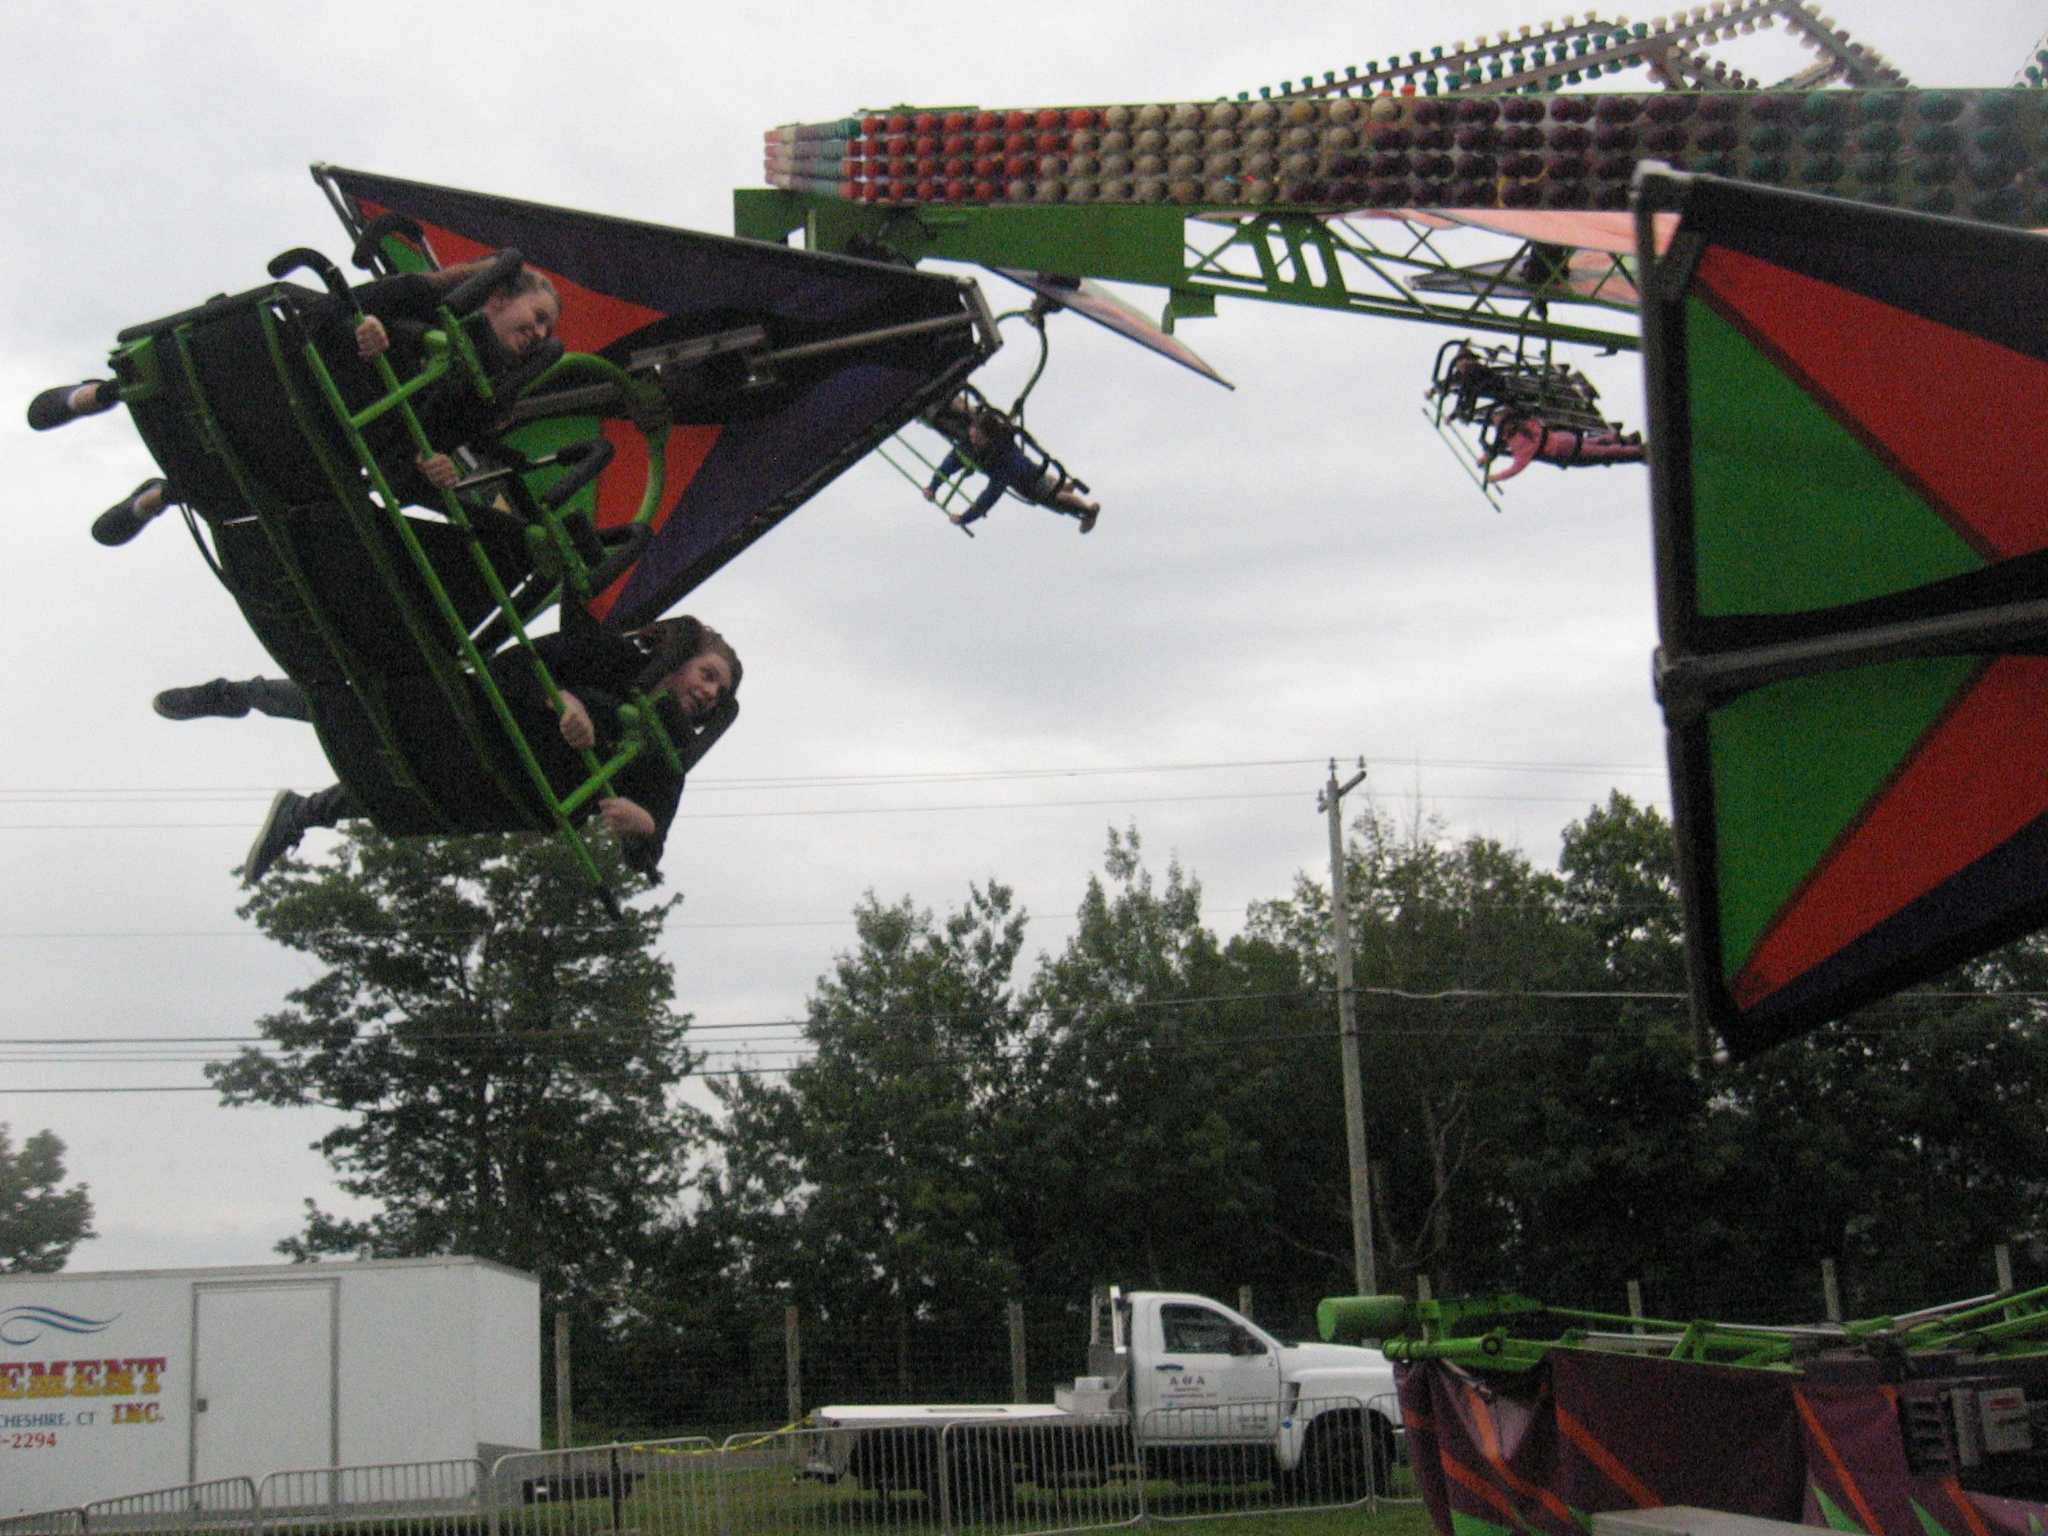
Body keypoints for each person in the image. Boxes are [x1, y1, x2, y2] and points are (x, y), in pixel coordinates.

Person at [152, 614, 738, 885]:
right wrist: (559, 698)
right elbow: (513, 666)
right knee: (363, 709)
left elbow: (649, 850)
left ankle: (304, 812)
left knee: (409, 797)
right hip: (482, 718)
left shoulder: (664, 758)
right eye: (709, 674)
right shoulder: (611, 658)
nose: (709, 693)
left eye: (721, 692)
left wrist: (641, 827)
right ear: (682, 658)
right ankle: (239, 694)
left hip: (502, 788)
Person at [27, 257, 561, 545]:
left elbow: (409, 459)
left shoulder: (475, 393)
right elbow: (331, 309)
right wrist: (367, 323)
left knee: (303, 483)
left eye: (546, 329)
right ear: (497, 297)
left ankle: (157, 498)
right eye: (535, 317)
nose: (538, 332)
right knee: (235, 355)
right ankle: (95, 395)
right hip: (293, 375)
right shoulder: (423, 300)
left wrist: (431, 468)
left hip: (328, 439)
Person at [923, 397, 1100, 533]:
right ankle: (1066, 487)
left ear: (988, 438)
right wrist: (933, 486)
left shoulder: (1003, 460)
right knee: (1048, 483)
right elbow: (952, 462)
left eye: (979, 438)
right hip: (1027, 470)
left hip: (1027, 478)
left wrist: (965, 518)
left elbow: (989, 497)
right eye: (973, 435)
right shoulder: (970, 441)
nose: (974, 440)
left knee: (1051, 497)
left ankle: (1088, 511)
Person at [1484, 410, 1646, 484]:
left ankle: (1637, 450)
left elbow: (1515, 468)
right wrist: (1487, 457)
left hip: (1564, 450)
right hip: (1564, 438)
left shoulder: (1521, 445)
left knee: (1603, 453)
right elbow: (1503, 446)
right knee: (1593, 442)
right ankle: (1622, 439)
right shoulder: (1527, 425)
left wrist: (1496, 477)